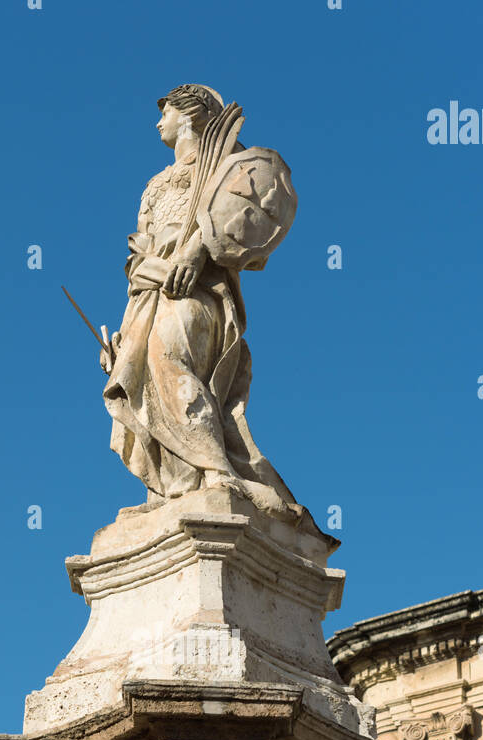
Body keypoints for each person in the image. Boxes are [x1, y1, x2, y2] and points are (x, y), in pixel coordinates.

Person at [102, 84, 302, 516]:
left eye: (166, 111)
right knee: (148, 381)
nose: (159, 122)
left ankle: (217, 472)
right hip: (148, 292)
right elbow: (141, 250)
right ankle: (173, 489)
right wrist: (123, 332)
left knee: (171, 362)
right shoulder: (154, 184)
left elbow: (244, 209)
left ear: (190, 115)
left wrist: (197, 250)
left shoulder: (226, 164)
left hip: (197, 287)